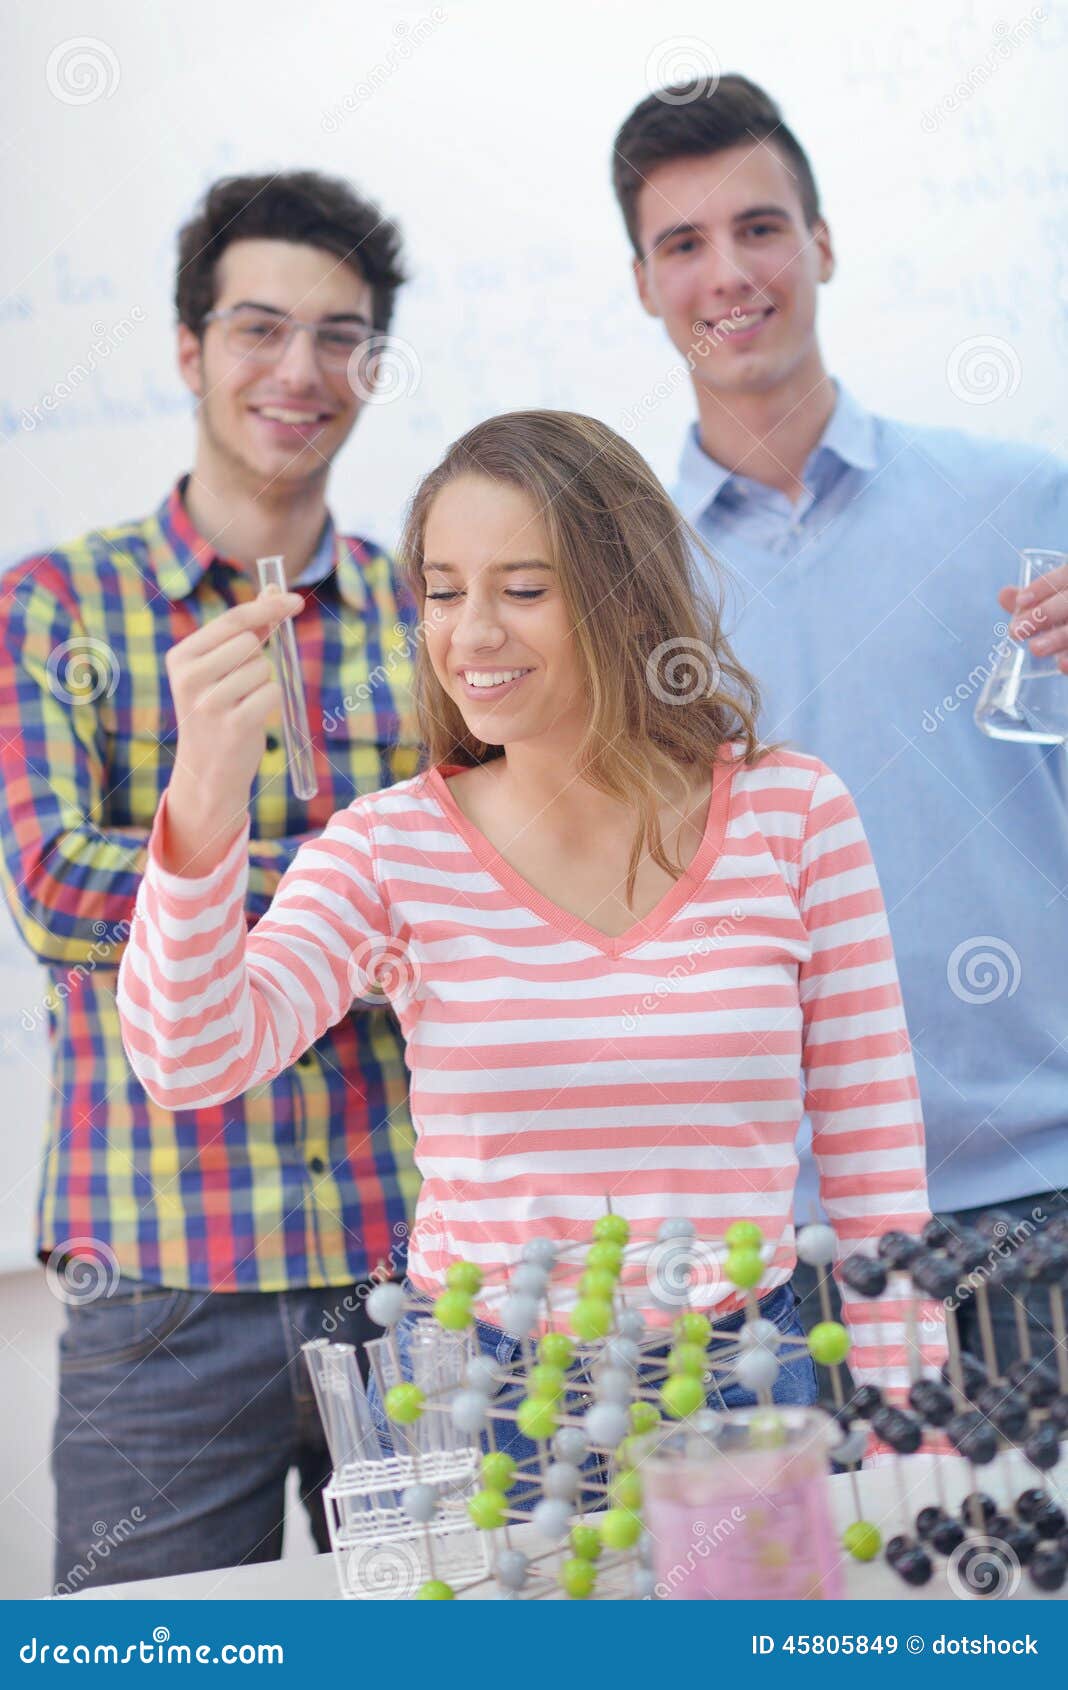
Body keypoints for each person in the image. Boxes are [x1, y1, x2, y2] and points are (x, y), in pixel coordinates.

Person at [115, 407, 945, 1471]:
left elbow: (871, 1140)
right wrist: (203, 795)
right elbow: (189, 1058)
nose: (472, 634)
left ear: (624, 598)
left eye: (524, 588)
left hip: (744, 1378)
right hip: (492, 1400)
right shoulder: (388, 848)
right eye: (445, 591)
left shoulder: (793, 812)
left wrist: (909, 1419)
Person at [0, 171, 421, 1589]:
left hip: (412, 1263)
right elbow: (59, 890)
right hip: (159, 1280)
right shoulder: (55, 605)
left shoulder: (441, 609)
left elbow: (499, 876)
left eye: (341, 336)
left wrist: (204, 866)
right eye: (258, 327)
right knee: (147, 1663)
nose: (299, 370)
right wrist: (362, 882)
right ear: (190, 349)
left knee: (470, 1649)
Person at [611, 74, 1068, 1372]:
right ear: (643, 282)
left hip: (1038, 1196)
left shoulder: (1026, 499)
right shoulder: (615, 585)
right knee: (797, 1579)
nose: (729, 273)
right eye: (682, 243)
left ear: (821, 243)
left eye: (760, 227)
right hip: (770, 1252)